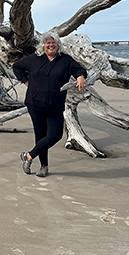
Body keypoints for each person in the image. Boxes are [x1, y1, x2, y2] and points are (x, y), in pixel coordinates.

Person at [12, 32, 87, 177]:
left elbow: (79, 69)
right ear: (43, 45)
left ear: (58, 45)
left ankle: (28, 156)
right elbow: (17, 67)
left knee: (55, 135)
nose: (51, 45)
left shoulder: (65, 60)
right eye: (48, 43)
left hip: (55, 105)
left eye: (53, 43)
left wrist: (80, 76)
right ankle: (44, 166)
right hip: (35, 104)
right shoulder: (35, 59)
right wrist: (26, 81)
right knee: (40, 135)